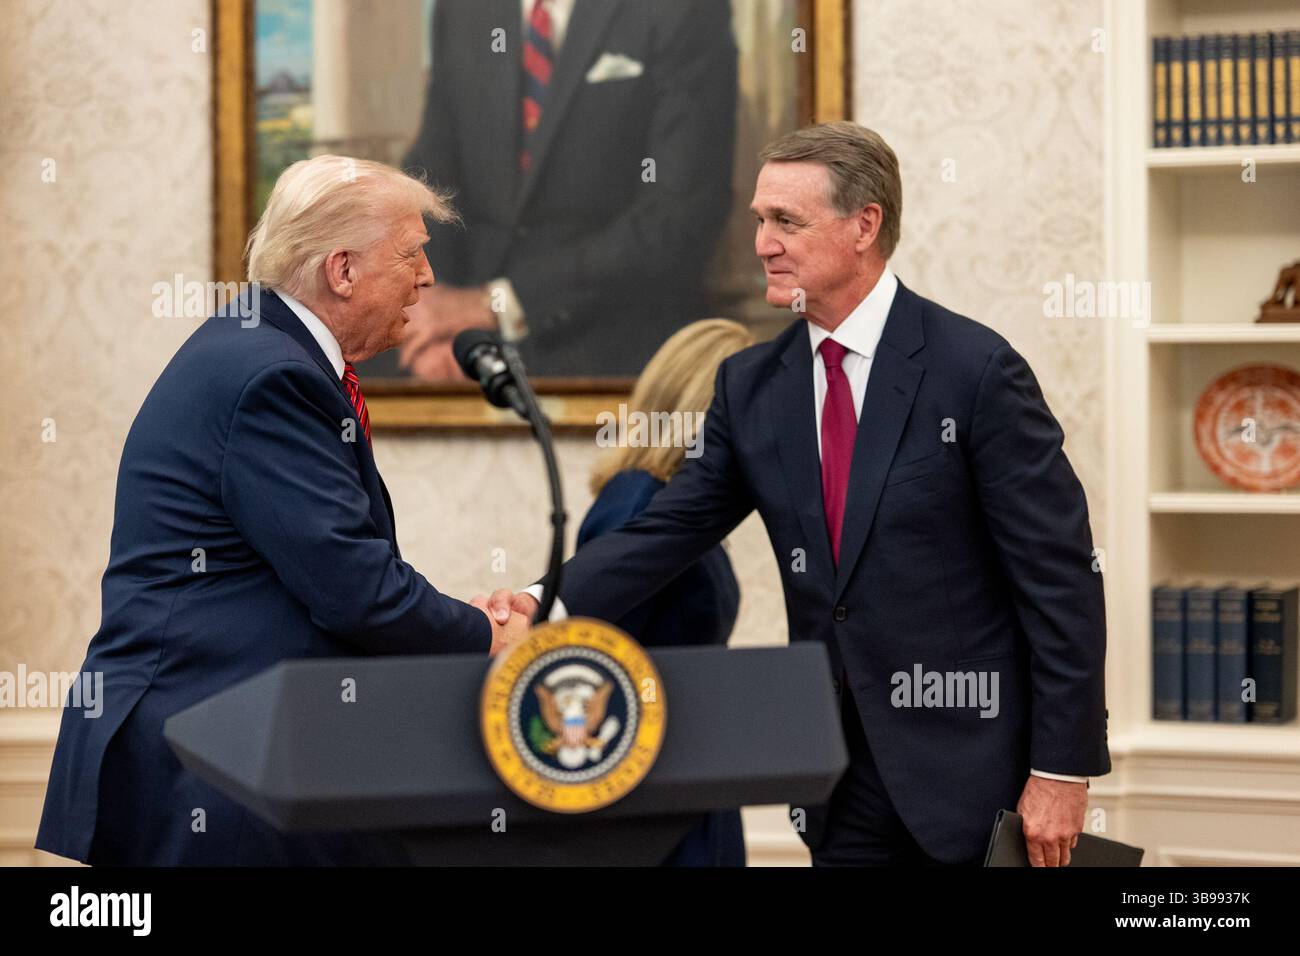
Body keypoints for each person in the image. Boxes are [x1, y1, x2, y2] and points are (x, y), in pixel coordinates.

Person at [490, 122, 1111, 867]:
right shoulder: (753, 385)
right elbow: (668, 530)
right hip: (838, 784)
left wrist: (1062, 770)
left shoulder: (975, 371)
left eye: (786, 220)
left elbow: (1061, 580)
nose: (762, 242)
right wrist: (539, 600)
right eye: (759, 219)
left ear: (864, 227)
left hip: (975, 784)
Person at [36, 156, 530, 866]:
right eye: (412, 253)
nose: (427, 277)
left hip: (229, 752)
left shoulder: (263, 350)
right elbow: (355, 590)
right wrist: (485, 633)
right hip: (208, 766)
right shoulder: (273, 376)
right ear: (343, 270)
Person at [372, 0, 738, 380]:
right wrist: (429, 319)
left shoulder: (685, 9)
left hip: (613, 353)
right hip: (455, 351)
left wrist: (497, 307)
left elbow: (679, 216)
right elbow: (432, 185)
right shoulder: (463, 10)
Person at [579, 318, 753, 866]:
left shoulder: (680, 510)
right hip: (648, 800)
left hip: (688, 778)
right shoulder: (639, 503)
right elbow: (593, 667)